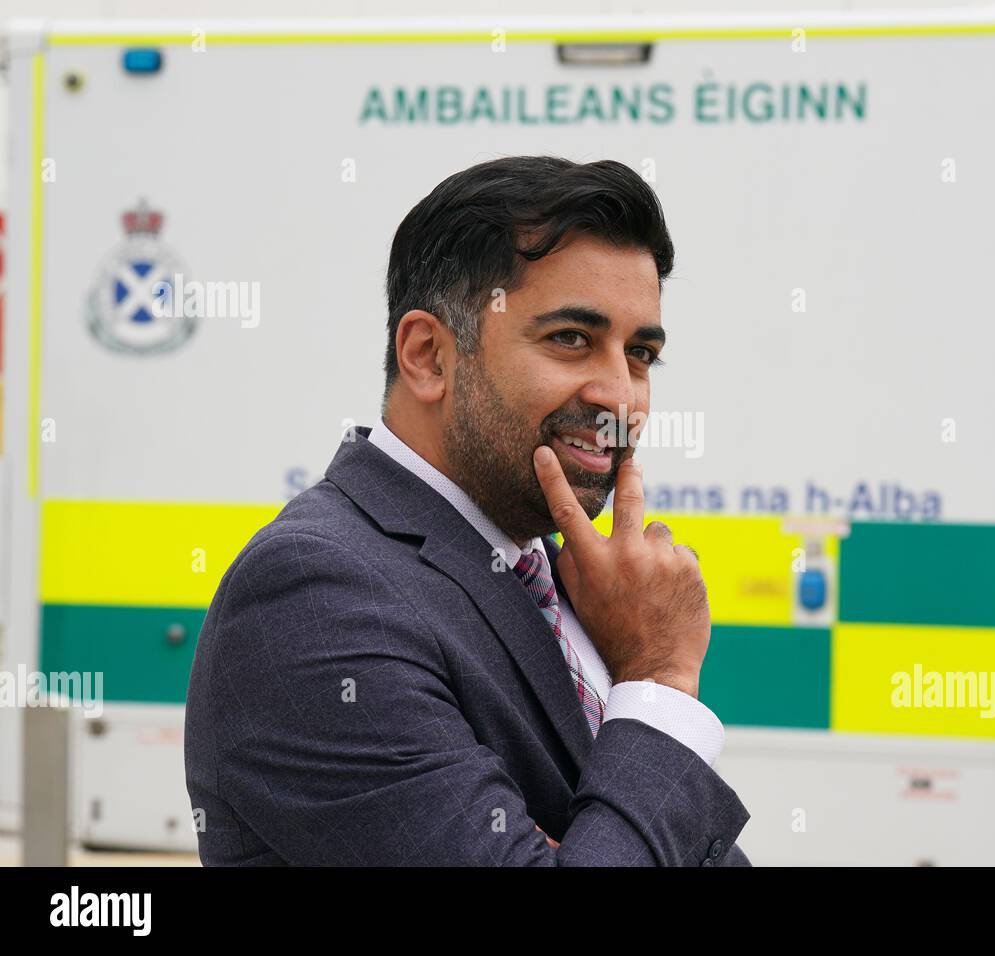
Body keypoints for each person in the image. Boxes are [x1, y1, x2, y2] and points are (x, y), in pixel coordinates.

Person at [184, 156, 752, 866]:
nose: (620, 397)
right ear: (427, 356)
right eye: (571, 339)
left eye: (639, 353)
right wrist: (660, 682)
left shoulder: (562, 581)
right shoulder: (313, 593)